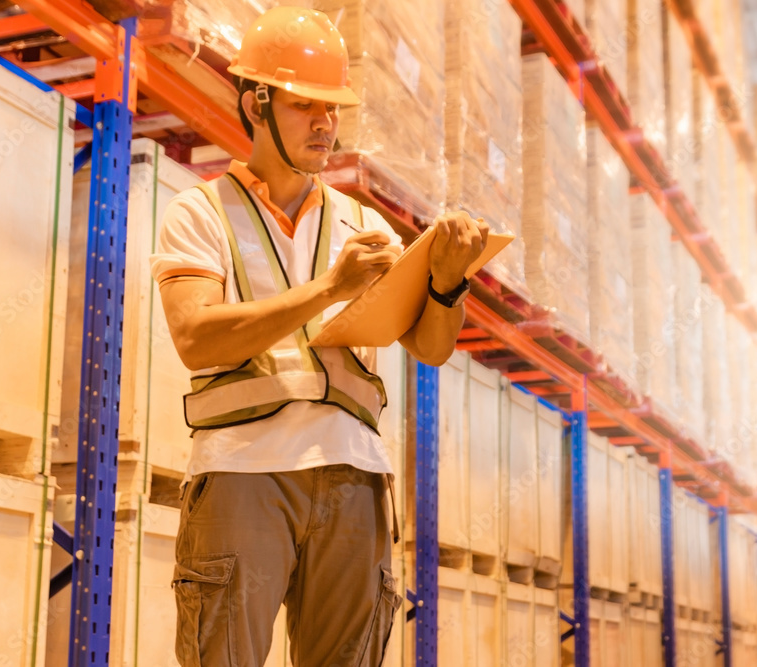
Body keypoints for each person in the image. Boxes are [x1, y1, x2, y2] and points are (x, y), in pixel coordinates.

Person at [151, 6, 488, 666]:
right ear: (257, 102)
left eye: (333, 109)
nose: (327, 124)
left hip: (355, 480)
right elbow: (195, 336)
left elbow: (432, 346)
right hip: (242, 470)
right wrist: (331, 289)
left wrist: (447, 284)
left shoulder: (366, 225)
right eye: (308, 105)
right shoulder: (199, 211)